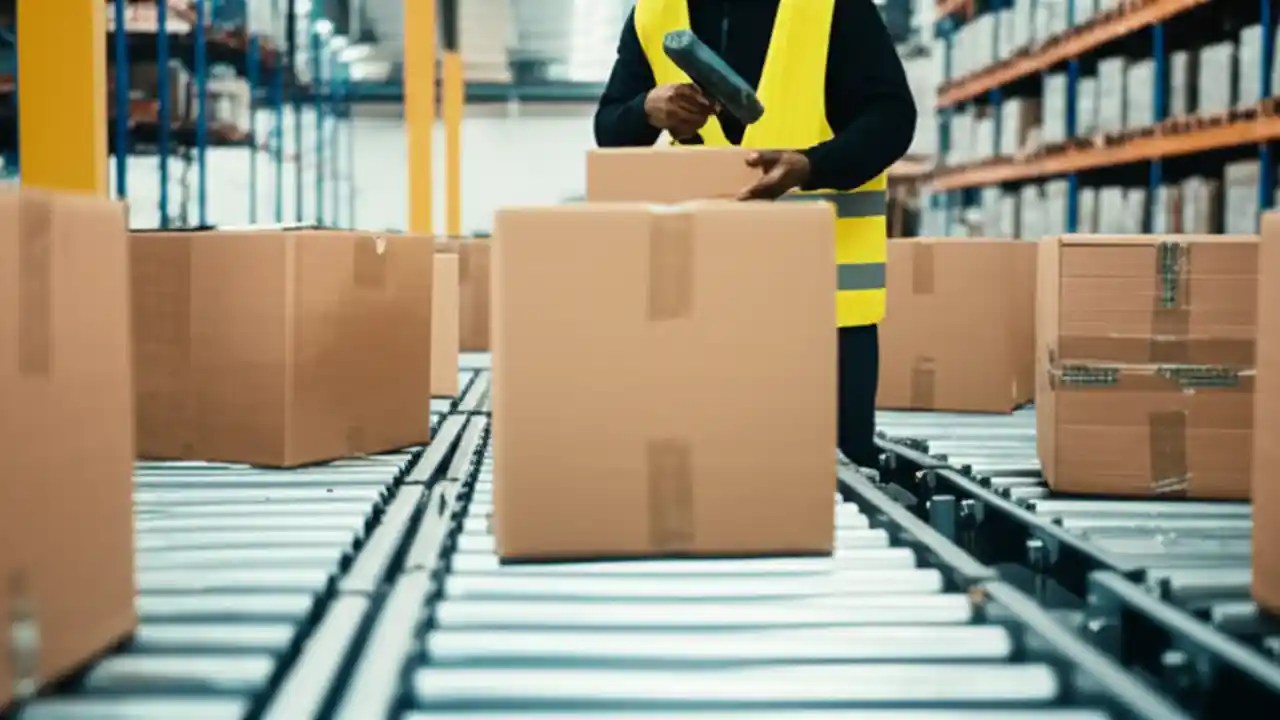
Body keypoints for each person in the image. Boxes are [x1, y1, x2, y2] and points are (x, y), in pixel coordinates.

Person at [594, 0, 917, 471]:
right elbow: (609, 130)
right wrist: (646, 111)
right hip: (702, 314)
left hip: (826, 320)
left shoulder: (830, 8)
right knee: (716, 480)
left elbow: (891, 118)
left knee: (842, 484)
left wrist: (812, 166)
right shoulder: (655, 14)